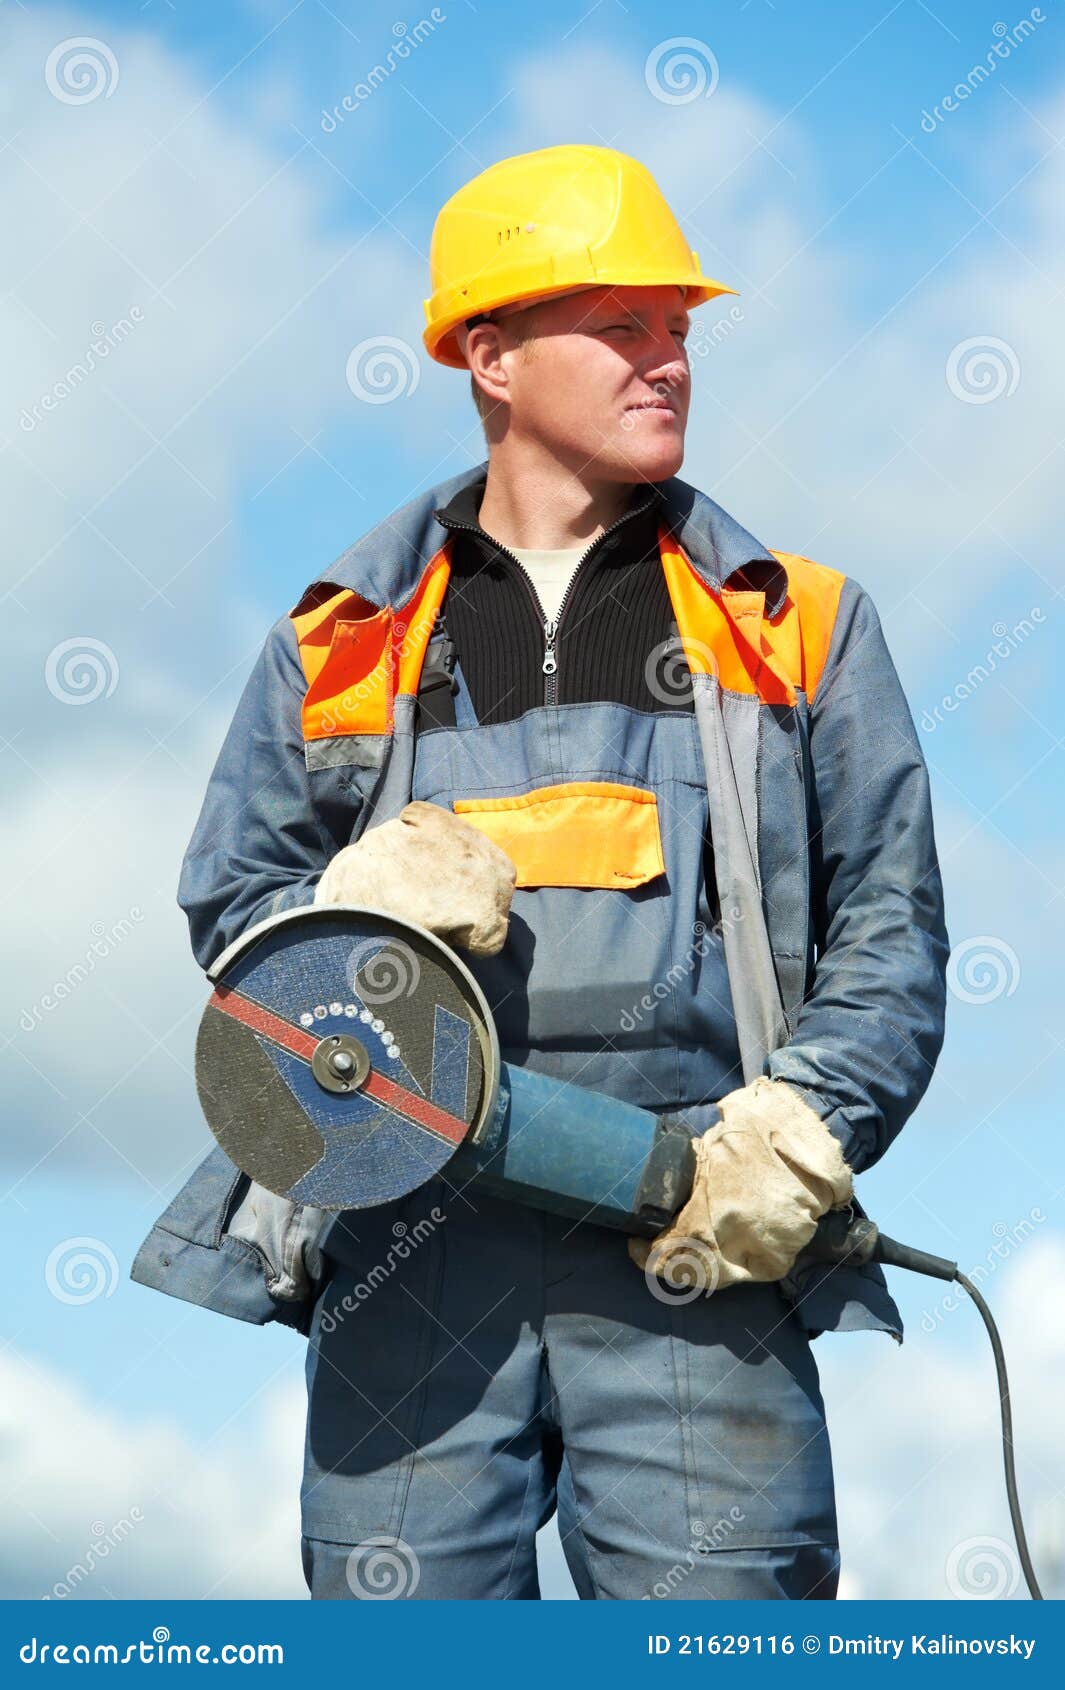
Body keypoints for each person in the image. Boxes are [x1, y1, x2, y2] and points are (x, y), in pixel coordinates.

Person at [132, 144, 950, 1601]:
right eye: (621, 326)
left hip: (699, 1232)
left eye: (678, 328)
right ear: (491, 357)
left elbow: (888, 926)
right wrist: (343, 920)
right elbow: (235, 914)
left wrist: (800, 1131)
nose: (668, 361)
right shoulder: (344, 639)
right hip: (408, 1243)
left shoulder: (795, 623)